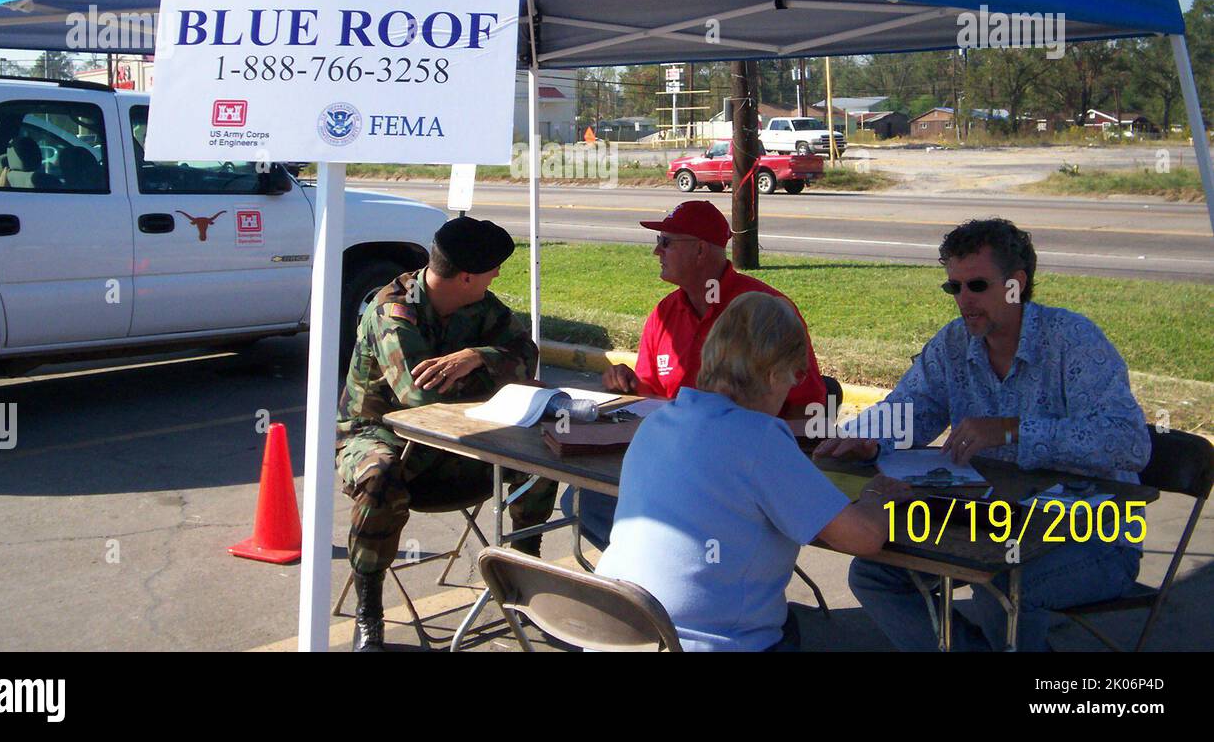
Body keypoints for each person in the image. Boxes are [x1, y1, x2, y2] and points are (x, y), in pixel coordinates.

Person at [815, 218, 1151, 651]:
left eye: (976, 286)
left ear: (1016, 284)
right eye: (953, 288)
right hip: (990, 524)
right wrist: (872, 438)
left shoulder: (1073, 340)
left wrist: (1013, 430)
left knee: (1001, 589)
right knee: (875, 574)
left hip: (1094, 537)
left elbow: (1129, 442)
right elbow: (912, 407)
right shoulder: (954, 344)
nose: (964, 301)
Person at [596, 291, 911, 652]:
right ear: (774, 373)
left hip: (618, 633)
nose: (796, 383)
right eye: (797, 372)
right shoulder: (759, 438)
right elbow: (864, 538)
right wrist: (877, 496)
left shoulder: (656, 423)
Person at [336, 216, 556, 652]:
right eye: (493, 270)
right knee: (379, 478)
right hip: (381, 435)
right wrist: (498, 378)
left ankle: (526, 571)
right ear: (467, 276)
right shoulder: (393, 311)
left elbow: (525, 353)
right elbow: (419, 398)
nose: (497, 277)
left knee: (543, 454)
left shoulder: (480, 304)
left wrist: (478, 356)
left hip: (461, 439)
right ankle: (370, 613)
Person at [573, 200, 831, 546]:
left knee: (602, 502)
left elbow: (810, 410)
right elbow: (649, 398)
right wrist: (625, 380)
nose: (656, 251)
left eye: (666, 242)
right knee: (586, 498)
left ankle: (674, 571)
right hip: (679, 457)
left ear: (699, 250)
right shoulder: (664, 313)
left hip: (737, 469)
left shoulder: (765, 312)